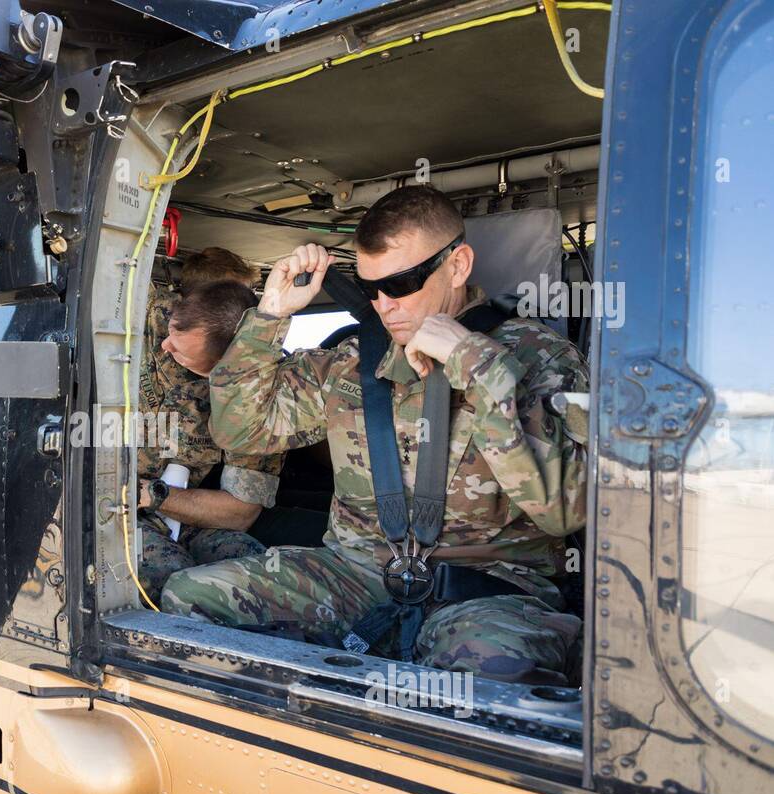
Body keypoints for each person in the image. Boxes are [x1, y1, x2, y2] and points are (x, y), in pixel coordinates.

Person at [162, 185, 588, 685]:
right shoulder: (353, 360)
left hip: (489, 590)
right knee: (189, 598)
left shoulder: (537, 357)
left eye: (403, 282)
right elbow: (241, 428)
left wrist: (475, 363)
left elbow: (564, 511)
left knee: (491, 669)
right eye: (371, 289)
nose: (386, 306)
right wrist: (271, 316)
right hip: (358, 574)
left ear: (458, 264)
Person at [137, 248, 284, 598]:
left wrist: (154, 495)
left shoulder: (260, 389)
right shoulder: (148, 315)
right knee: (174, 579)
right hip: (112, 513)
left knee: (256, 575)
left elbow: (240, 512)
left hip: (182, 513)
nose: (166, 345)